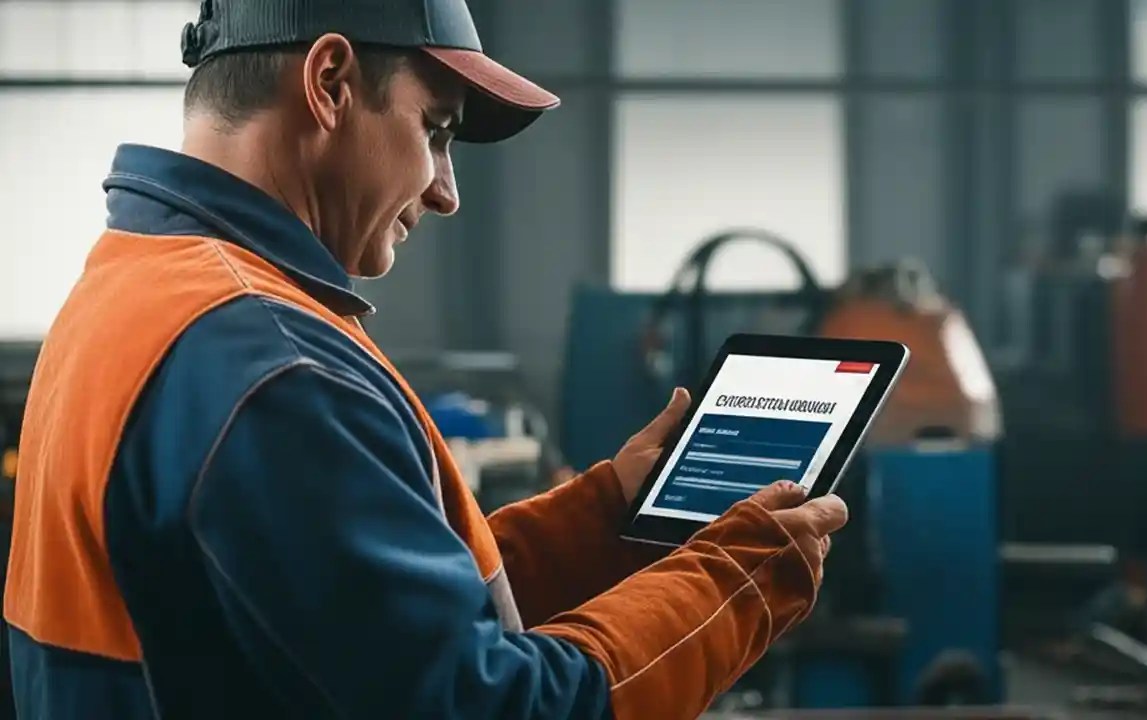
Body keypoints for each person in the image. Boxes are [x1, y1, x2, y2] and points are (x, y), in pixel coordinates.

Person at [2, 0, 848, 718]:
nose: (446, 190)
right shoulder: (269, 365)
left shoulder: (139, 284)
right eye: (434, 130)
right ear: (330, 83)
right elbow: (484, 705)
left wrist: (607, 517)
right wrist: (735, 580)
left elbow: (366, 621)